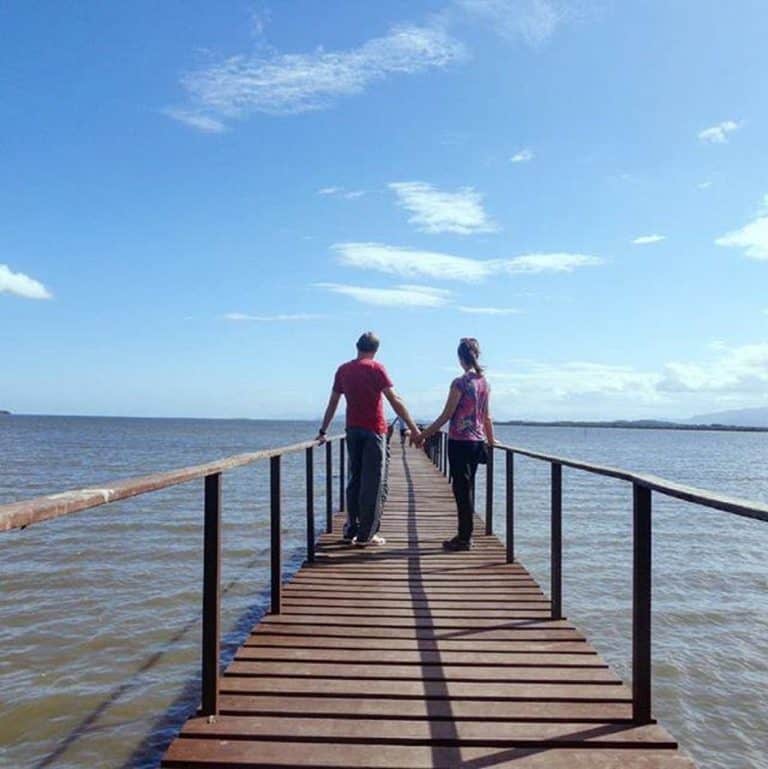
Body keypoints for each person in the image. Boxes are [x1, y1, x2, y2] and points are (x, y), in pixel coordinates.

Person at [316, 332, 421, 547]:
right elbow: (395, 400)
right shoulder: (376, 369)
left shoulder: (343, 370)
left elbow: (333, 402)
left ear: (357, 346)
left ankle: (350, 527)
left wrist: (323, 430)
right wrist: (414, 429)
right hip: (374, 430)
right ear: (376, 350)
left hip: (352, 430)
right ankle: (367, 534)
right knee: (373, 483)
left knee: (354, 479)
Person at [418, 338, 494, 551]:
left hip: (459, 442)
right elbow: (487, 417)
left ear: (460, 358)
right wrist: (490, 440)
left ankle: (464, 538)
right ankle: (465, 534)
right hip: (477, 442)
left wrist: (422, 435)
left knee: (461, 489)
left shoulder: (459, 383)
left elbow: (446, 415)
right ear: (477, 355)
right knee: (467, 488)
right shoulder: (484, 383)